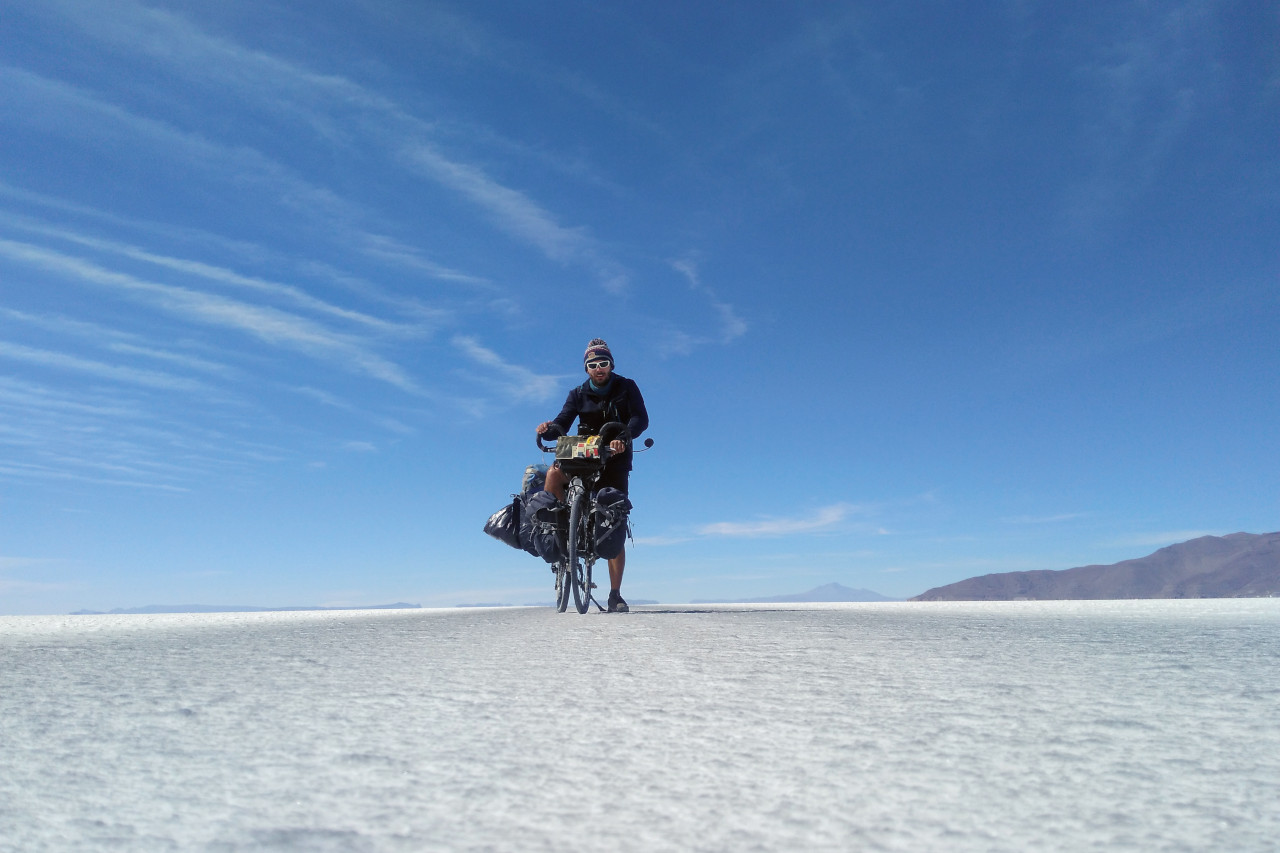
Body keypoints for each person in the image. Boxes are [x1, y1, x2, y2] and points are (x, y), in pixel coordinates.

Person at [536, 338, 649, 613]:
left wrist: (624, 436)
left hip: (616, 455)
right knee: (553, 473)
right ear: (586, 369)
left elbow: (640, 419)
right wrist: (548, 430)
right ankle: (559, 527)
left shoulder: (627, 386)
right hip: (583, 452)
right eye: (593, 365)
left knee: (614, 516)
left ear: (611, 365)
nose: (599, 369)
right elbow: (563, 421)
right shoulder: (577, 393)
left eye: (604, 363)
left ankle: (615, 594)